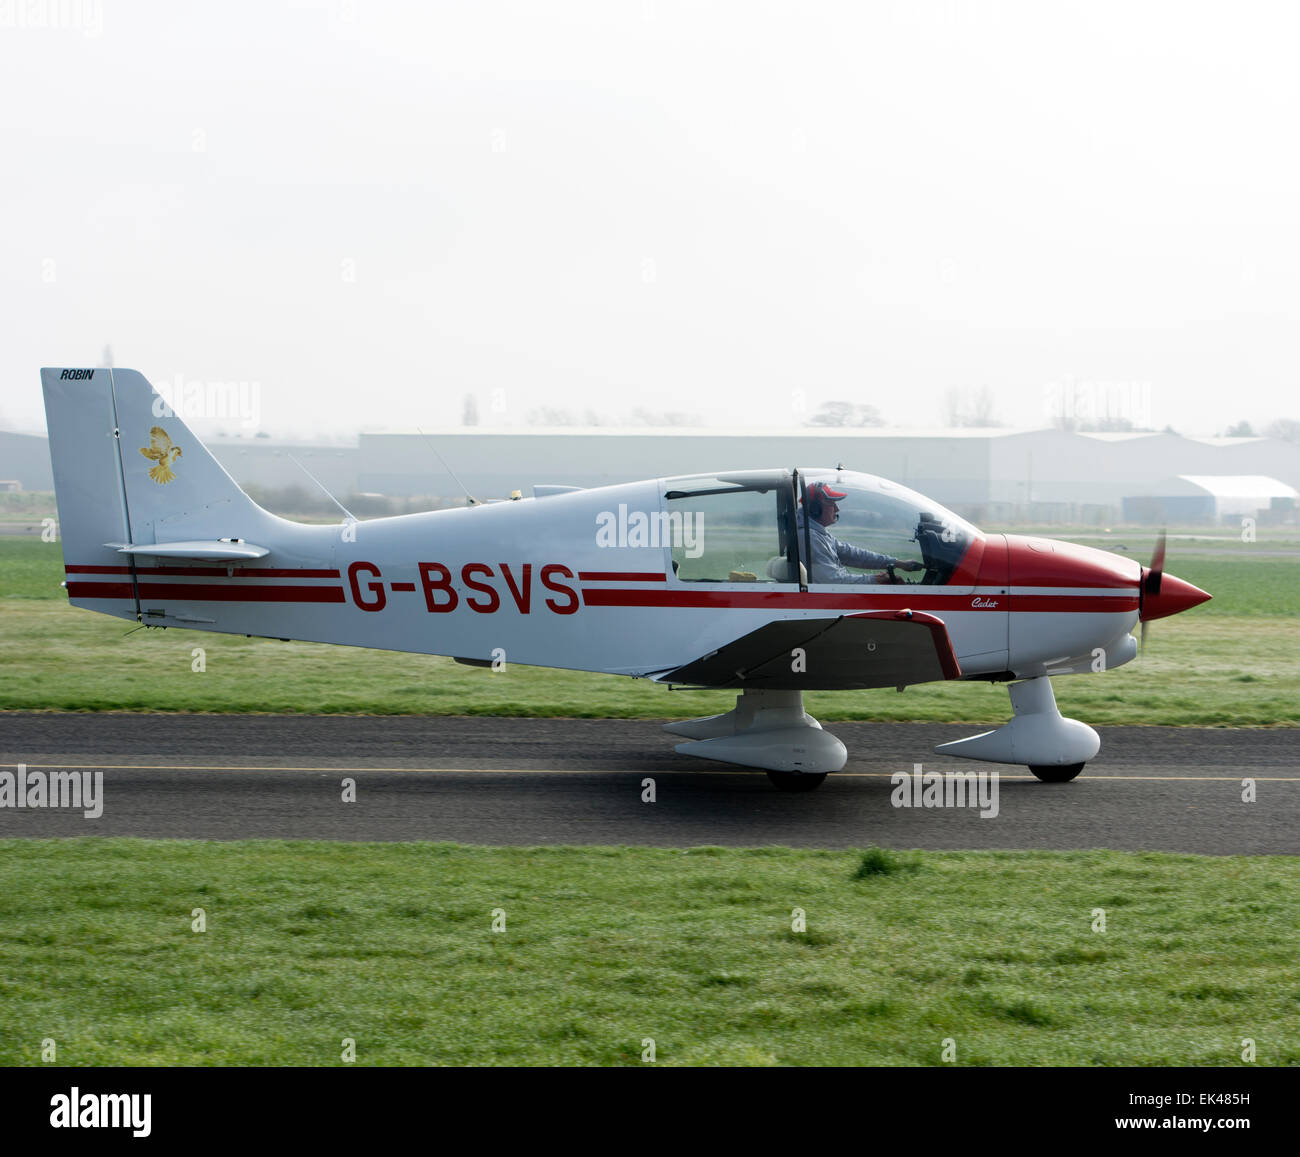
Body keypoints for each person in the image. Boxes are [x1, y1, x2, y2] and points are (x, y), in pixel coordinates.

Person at [795, 481, 925, 584]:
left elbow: (852, 554)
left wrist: (897, 563)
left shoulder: (818, 533)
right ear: (815, 509)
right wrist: (874, 580)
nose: (837, 508)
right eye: (831, 503)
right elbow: (833, 581)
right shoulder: (809, 537)